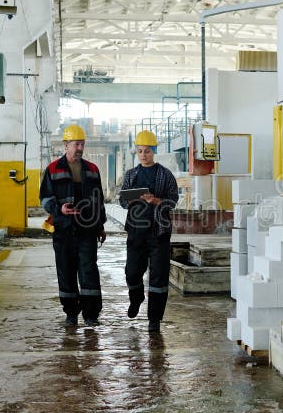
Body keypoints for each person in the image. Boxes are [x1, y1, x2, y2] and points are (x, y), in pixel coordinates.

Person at [40, 124, 107, 326]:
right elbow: (44, 198)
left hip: (87, 230)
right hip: (63, 231)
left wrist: (100, 225)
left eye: (82, 144)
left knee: (88, 271)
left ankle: (91, 315)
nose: (80, 148)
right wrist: (59, 209)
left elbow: (98, 200)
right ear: (66, 145)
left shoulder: (93, 170)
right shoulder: (52, 169)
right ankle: (71, 313)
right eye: (76, 144)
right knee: (66, 271)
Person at [120, 130, 179, 333]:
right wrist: (133, 199)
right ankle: (136, 299)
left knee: (158, 277)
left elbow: (173, 200)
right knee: (132, 273)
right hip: (136, 231)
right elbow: (121, 201)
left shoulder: (165, 175)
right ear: (136, 152)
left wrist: (156, 201)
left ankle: (154, 319)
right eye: (140, 151)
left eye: (147, 151)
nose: (143, 155)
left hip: (158, 232)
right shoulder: (131, 175)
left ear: (154, 151)